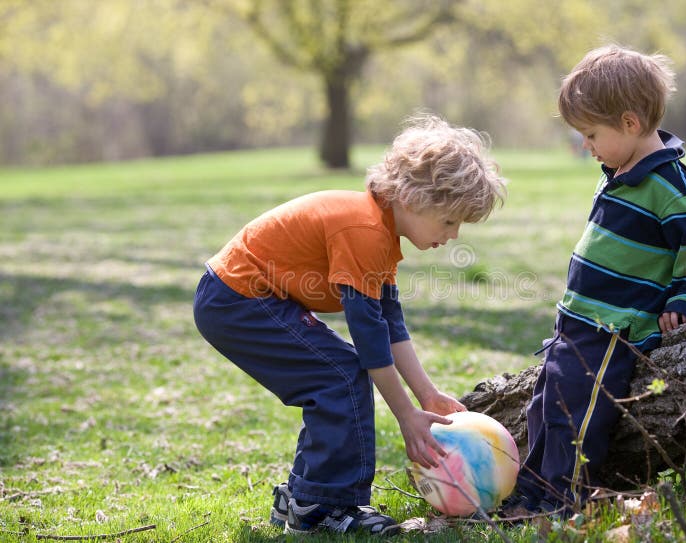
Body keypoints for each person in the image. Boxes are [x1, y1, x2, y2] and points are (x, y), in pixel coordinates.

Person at [193, 114, 506, 535]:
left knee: (335, 375)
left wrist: (426, 394)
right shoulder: (364, 230)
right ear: (413, 199)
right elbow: (369, 338)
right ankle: (323, 505)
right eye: (449, 221)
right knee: (341, 375)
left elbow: (389, 321)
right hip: (236, 299)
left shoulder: (382, 234)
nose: (452, 236)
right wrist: (405, 415)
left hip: (242, 298)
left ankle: (305, 498)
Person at [505, 45, 686, 519]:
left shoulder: (668, 180)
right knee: (544, 405)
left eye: (591, 134)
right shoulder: (623, 169)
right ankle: (534, 486)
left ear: (628, 122)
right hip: (579, 319)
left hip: (613, 327)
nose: (587, 145)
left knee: (576, 414)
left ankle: (565, 499)